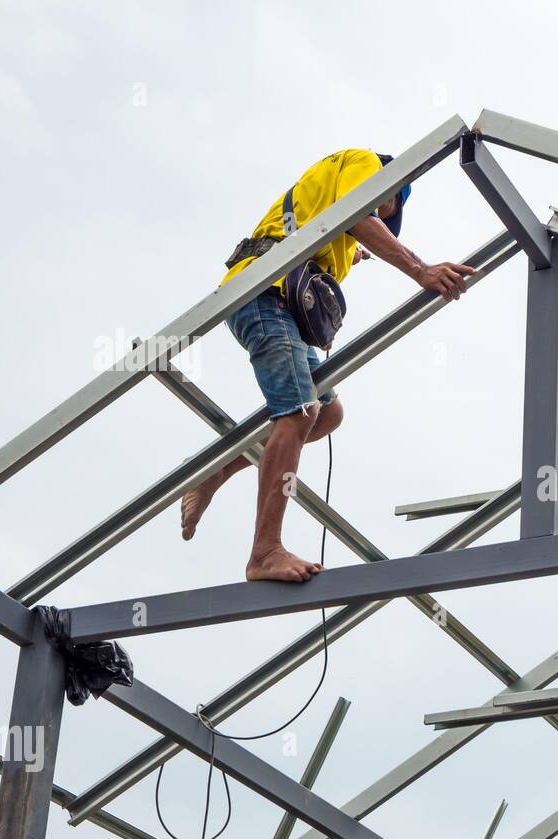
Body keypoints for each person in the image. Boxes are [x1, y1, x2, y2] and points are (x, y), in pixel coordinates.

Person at [180, 149, 477, 582]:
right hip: (265, 294)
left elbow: (332, 219)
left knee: (326, 414)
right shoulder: (370, 166)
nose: (381, 214)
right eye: (385, 208)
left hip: (276, 301)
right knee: (300, 413)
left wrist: (349, 253)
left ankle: (215, 473)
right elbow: (358, 211)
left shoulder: (331, 208)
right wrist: (420, 270)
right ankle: (264, 553)